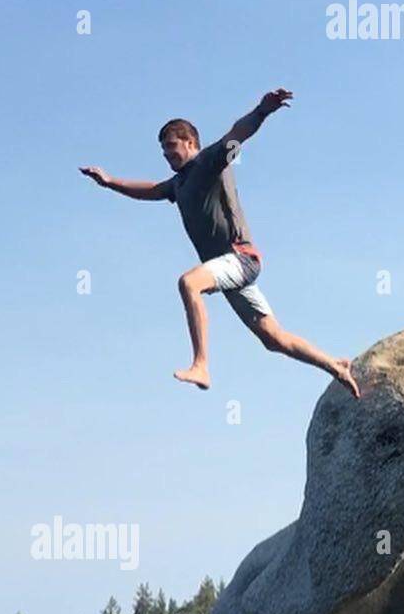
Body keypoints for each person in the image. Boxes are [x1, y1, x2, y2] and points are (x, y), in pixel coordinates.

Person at [80, 90, 359, 397]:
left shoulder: (210, 161)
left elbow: (238, 133)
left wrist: (262, 111)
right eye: (163, 152)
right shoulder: (179, 183)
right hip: (227, 270)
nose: (168, 155)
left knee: (189, 283)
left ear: (190, 142)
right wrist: (109, 182)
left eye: (172, 147)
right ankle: (334, 364)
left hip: (240, 258)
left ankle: (201, 364)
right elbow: (149, 190)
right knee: (273, 338)